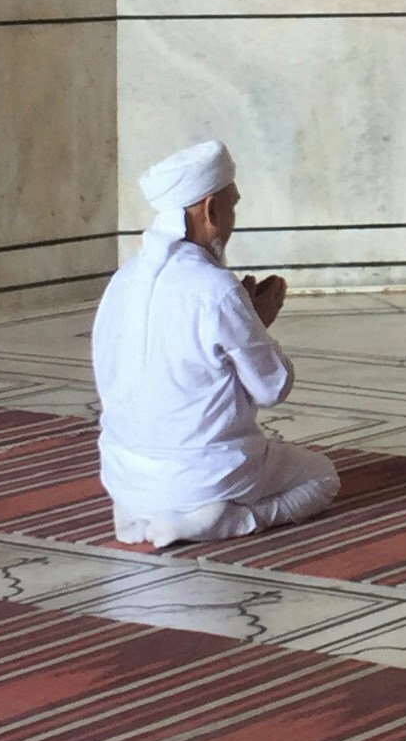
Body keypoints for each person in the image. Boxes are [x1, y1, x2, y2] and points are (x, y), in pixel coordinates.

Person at [90, 138, 340, 549]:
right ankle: (226, 519)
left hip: (122, 473)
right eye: (232, 205)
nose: (233, 218)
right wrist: (259, 324)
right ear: (210, 210)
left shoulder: (124, 279)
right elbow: (273, 388)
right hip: (205, 475)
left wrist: (248, 324)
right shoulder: (216, 288)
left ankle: (144, 512)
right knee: (321, 477)